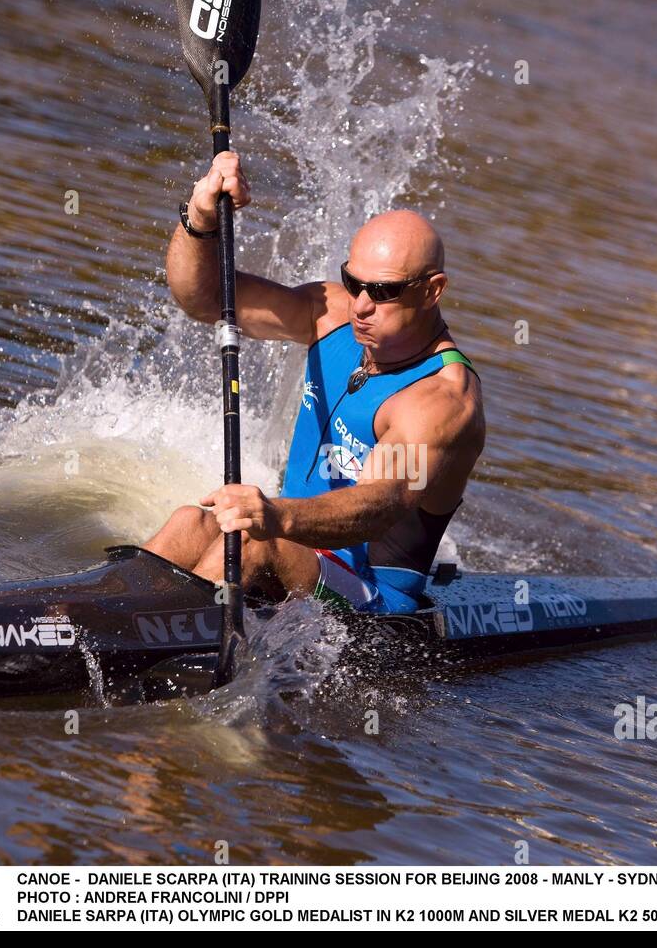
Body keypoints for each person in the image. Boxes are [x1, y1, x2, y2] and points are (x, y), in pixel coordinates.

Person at [142, 151, 485, 613]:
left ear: (432, 290)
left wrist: (275, 516)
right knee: (190, 523)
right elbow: (204, 300)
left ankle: (158, 636)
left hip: (371, 597)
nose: (360, 305)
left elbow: (381, 503)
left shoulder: (443, 400)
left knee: (253, 543)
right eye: (353, 282)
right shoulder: (331, 314)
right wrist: (201, 218)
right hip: (288, 547)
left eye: (383, 292)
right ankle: (89, 613)